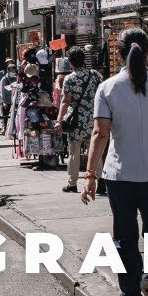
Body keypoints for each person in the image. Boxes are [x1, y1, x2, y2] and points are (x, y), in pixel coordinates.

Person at [81, 28, 148, 296]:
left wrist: (89, 174)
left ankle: (130, 294)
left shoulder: (108, 88)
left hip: (120, 175)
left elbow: (100, 133)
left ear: (118, 54)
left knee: (125, 236)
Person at [59, 47, 102, 194]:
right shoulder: (95, 75)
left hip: (75, 120)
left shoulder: (69, 79)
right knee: (95, 149)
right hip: (94, 117)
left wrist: (59, 120)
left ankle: (72, 183)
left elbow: (65, 101)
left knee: (74, 151)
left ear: (70, 62)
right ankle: (100, 180)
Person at [0, 60, 18, 130]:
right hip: (6, 101)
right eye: (12, 70)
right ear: (8, 70)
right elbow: (1, 91)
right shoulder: (4, 79)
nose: (14, 72)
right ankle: (5, 130)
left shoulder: (16, 78)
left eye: (14, 70)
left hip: (14, 101)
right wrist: (4, 102)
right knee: (6, 117)